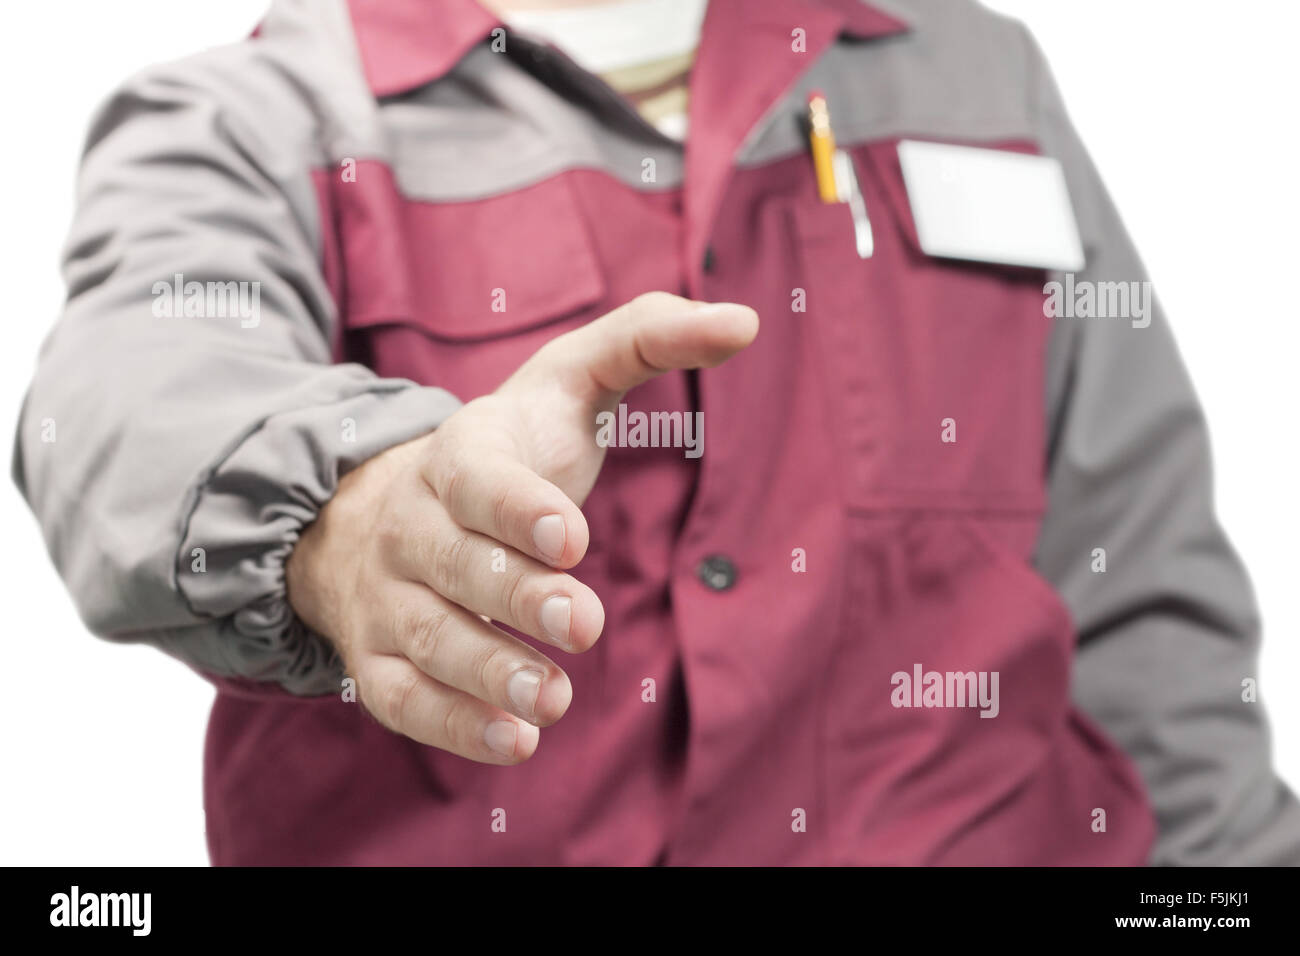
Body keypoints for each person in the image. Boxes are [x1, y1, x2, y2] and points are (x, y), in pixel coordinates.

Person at [14, 0, 1299, 865]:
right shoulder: (252, 117)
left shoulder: (976, 73)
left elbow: (1137, 582)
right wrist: (346, 522)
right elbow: (126, 394)